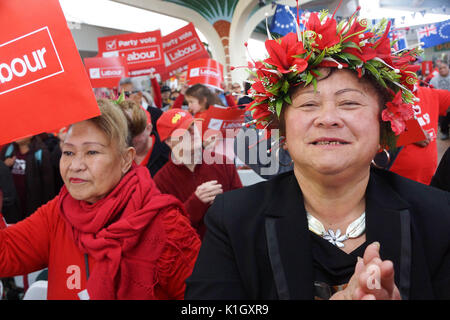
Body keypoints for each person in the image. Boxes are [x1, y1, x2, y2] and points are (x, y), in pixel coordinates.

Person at [185, 7, 450, 300]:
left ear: (383, 124)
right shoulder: (233, 219)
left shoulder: (438, 216)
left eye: (349, 103)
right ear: (283, 133)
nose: (328, 119)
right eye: (309, 104)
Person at [0, 99, 200, 299]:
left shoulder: (167, 227)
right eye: (68, 152)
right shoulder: (58, 213)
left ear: (125, 159)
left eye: (92, 152)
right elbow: (5, 254)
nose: (75, 165)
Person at [154, 109, 243, 239]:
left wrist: (224, 202)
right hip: (192, 254)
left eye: (193, 125)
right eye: (184, 130)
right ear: (168, 141)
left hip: (229, 247)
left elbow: (241, 207)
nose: (192, 132)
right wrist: (196, 202)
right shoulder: (161, 180)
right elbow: (168, 229)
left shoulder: (223, 163)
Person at [388, 86, 450, 184]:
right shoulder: (382, 93)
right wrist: (412, 134)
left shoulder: (430, 93)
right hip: (392, 182)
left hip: (426, 182)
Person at [0, 135, 56, 223]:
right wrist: (4, 165)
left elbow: (48, 185)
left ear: (31, 135)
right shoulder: (8, 149)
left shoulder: (40, 152)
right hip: (13, 203)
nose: (18, 135)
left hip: (33, 201)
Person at [117, 99, 169, 177]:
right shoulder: (117, 156)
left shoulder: (168, 154)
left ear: (149, 129)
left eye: (134, 132)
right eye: (121, 134)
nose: (127, 140)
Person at [430, 62, 450, 140]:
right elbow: (431, 91)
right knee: (443, 121)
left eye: (444, 67)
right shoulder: (434, 80)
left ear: (448, 68)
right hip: (442, 104)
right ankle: (445, 132)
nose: (442, 70)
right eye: (440, 68)